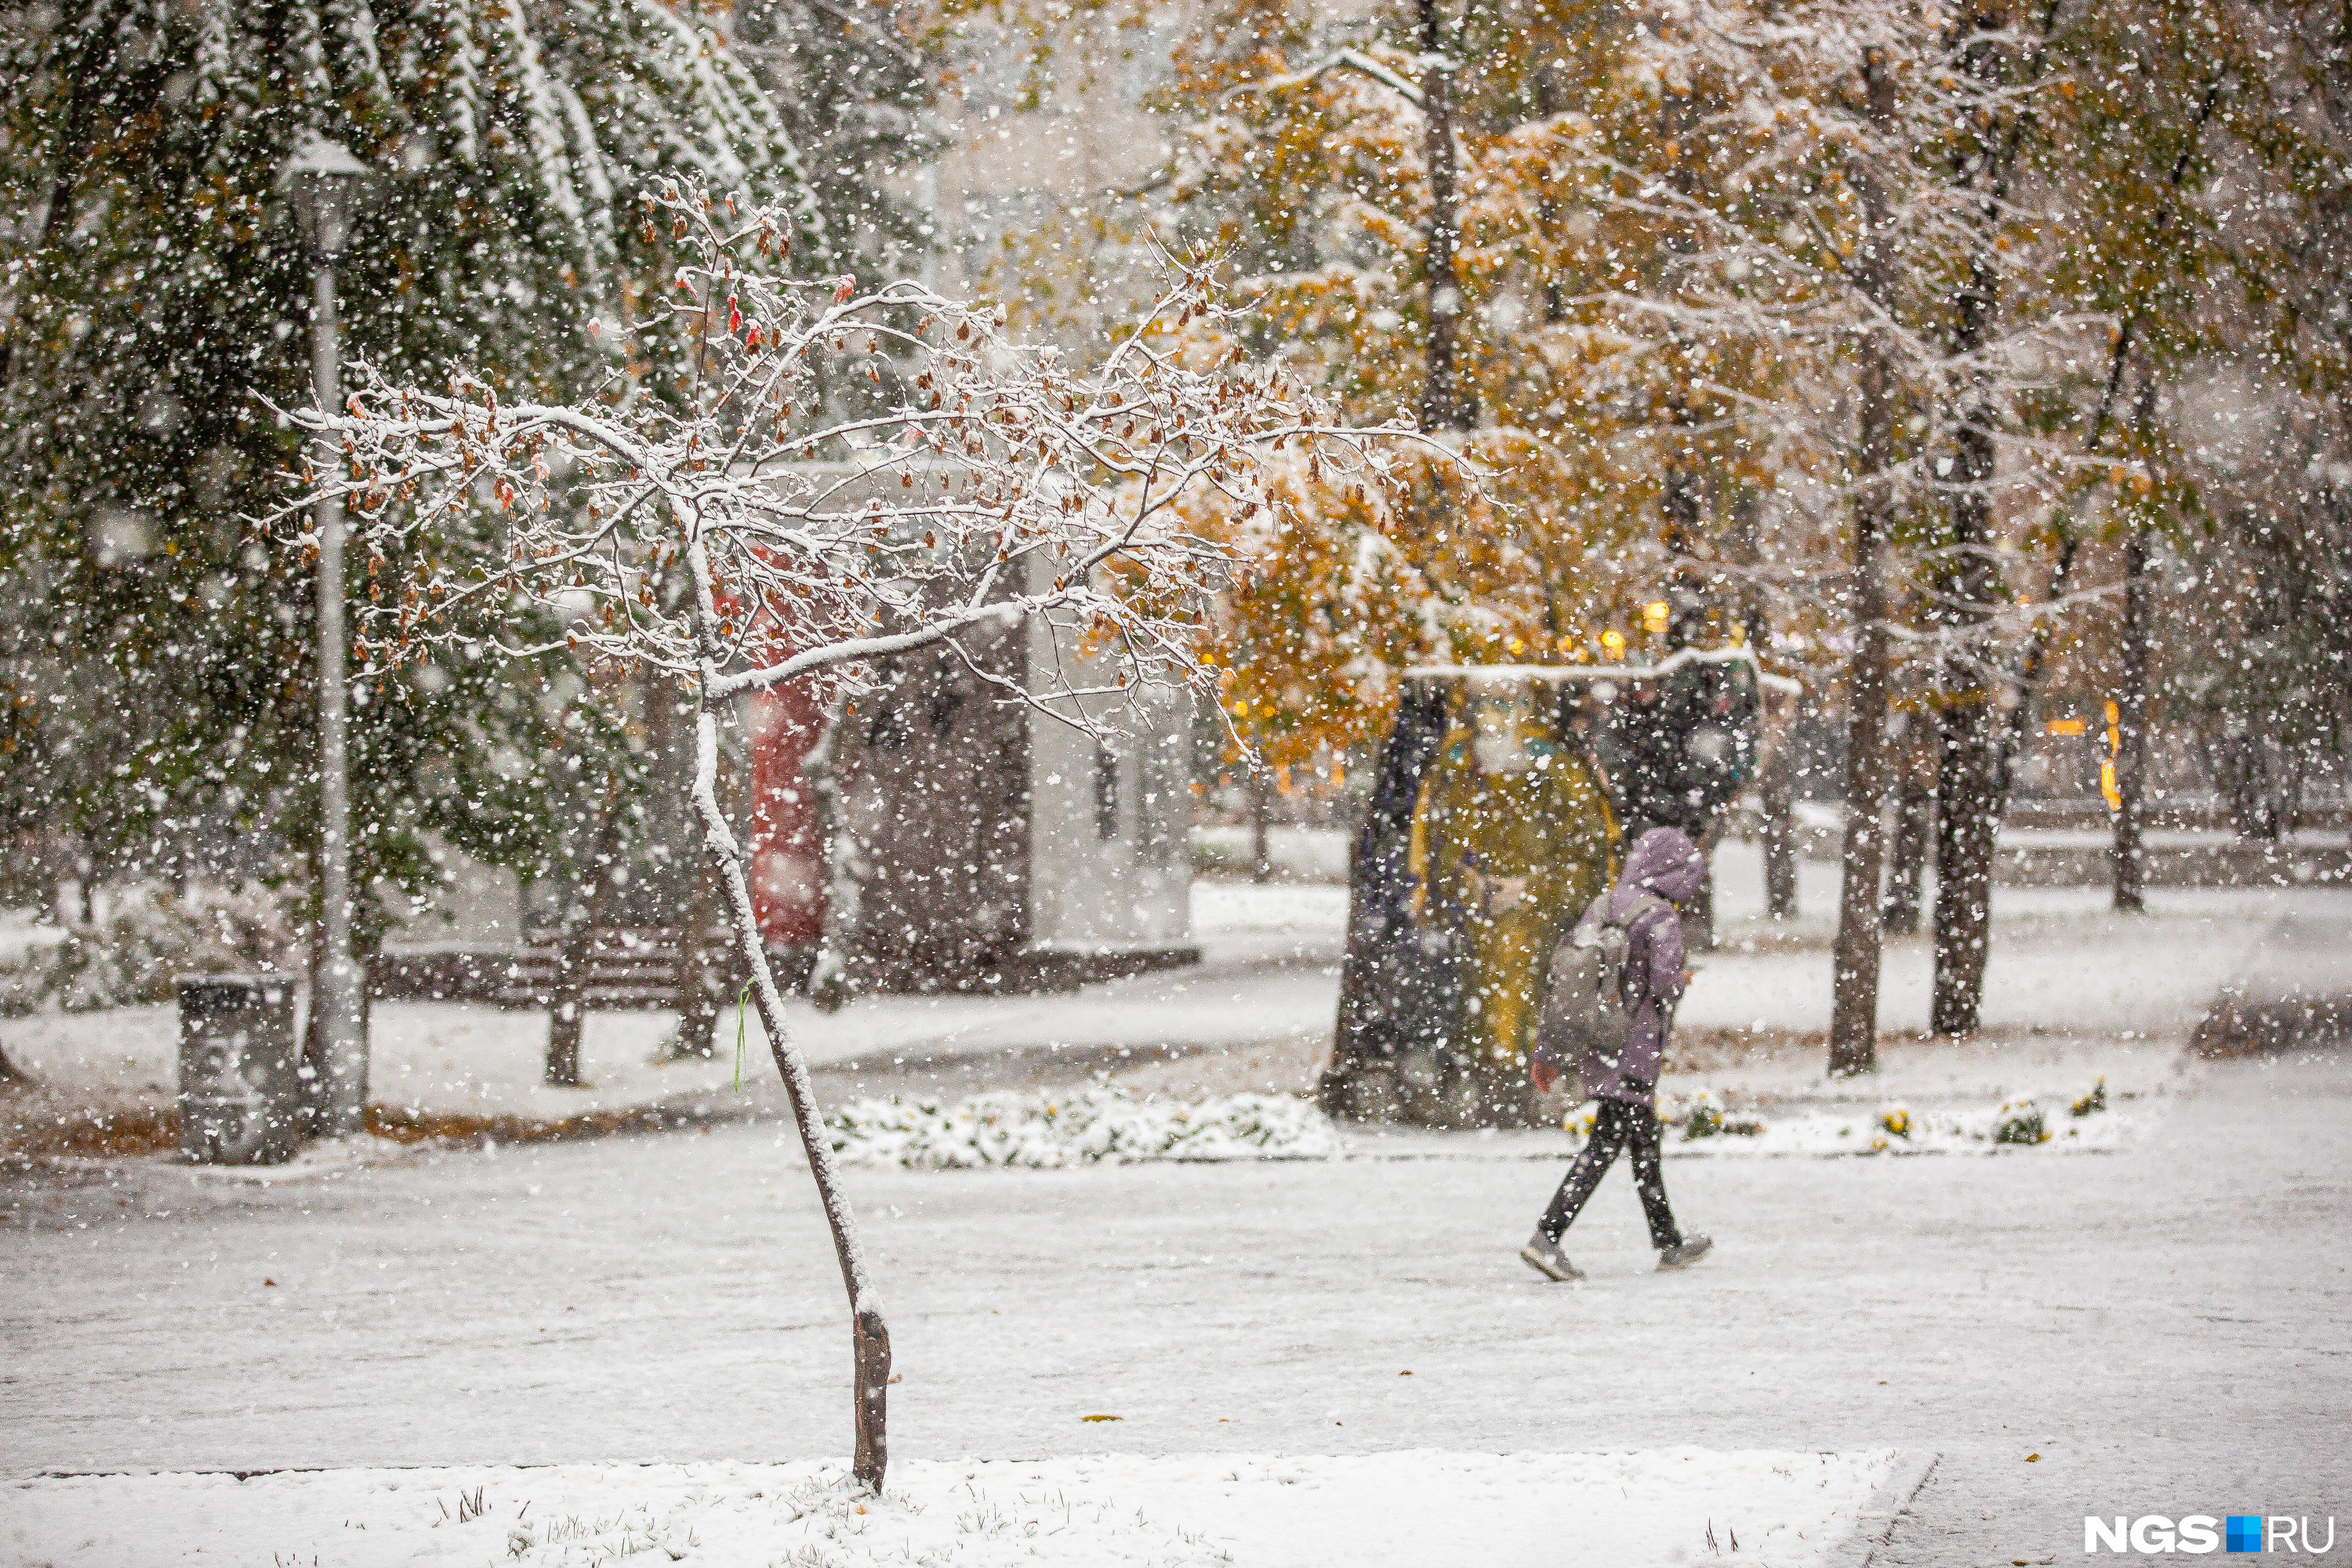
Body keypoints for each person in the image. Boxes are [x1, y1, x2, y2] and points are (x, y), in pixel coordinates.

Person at [1520, 826, 1714, 1280]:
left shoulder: (1602, 906)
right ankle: (1546, 1238)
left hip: (1600, 1042)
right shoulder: (1662, 916)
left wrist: (1546, 1051)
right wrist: (1680, 981)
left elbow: (1566, 983)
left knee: (1642, 1141)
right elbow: (1665, 986)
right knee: (1607, 1145)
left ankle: (1669, 1243)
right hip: (1637, 1050)